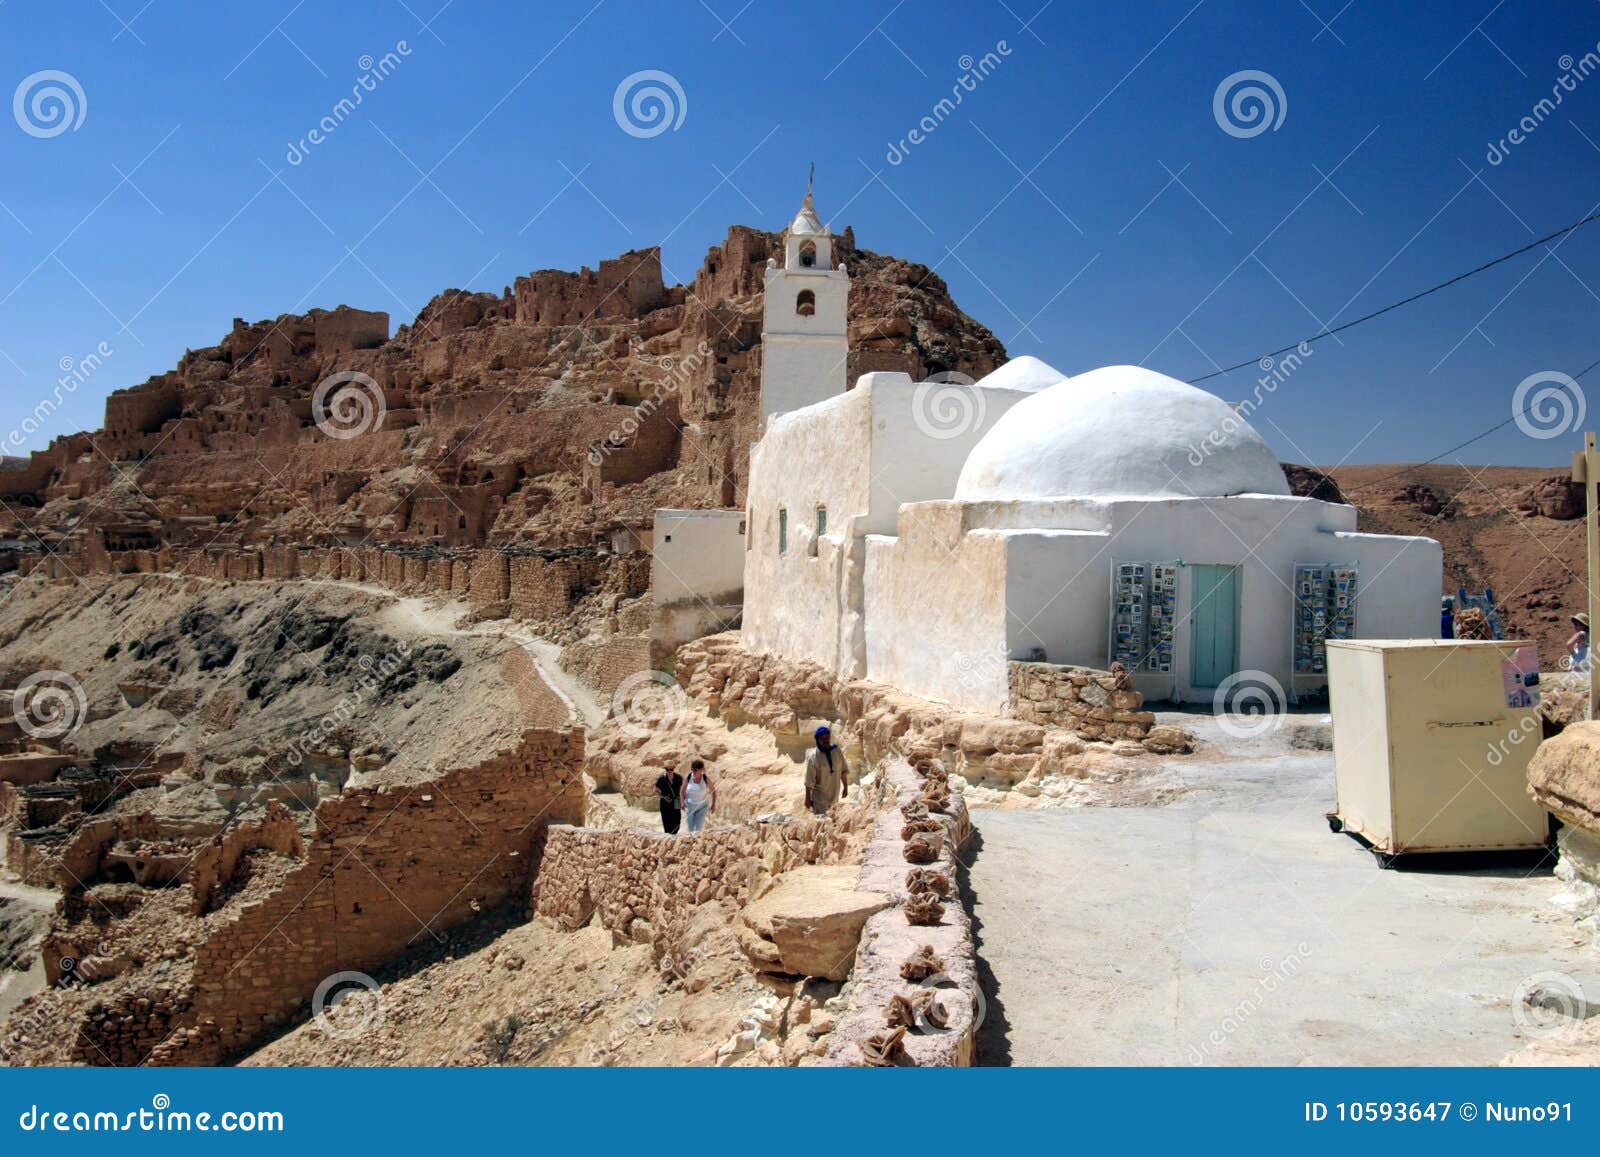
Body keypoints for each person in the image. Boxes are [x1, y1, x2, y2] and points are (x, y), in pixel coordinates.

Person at [804, 725, 849, 816]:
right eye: (822, 738)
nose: (826, 740)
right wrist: (807, 799)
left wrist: (846, 788)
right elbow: (809, 781)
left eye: (827, 737)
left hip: (834, 796)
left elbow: (843, 772)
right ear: (817, 739)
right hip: (819, 801)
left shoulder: (836, 751)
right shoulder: (813, 757)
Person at [680, 759, 716, 834]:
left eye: (695, 770)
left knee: (697, 831)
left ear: (701, 770)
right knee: (690, 831)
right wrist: (682, 802)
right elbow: (682, 791)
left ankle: (695, 842)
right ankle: (691, 844)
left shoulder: (705, 778)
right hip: (690, 807)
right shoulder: (689, 777)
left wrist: (713, 804)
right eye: (692, 770)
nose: (694, 772)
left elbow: (713, 791)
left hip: (702, 807)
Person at [654, 763, 684, 835]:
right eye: (668, 769)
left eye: (671, 769)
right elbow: (655, 791)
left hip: (676, 801)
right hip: (665, 803)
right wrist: (663, 797)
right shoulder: (661, 779)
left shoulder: (679, 777)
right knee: (667, 824)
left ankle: (672, 836)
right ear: (665, 770)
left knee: (677, 822)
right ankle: (669, 840)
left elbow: (682, 790)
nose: (670, 771)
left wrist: (682, 801)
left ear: (674, 768)